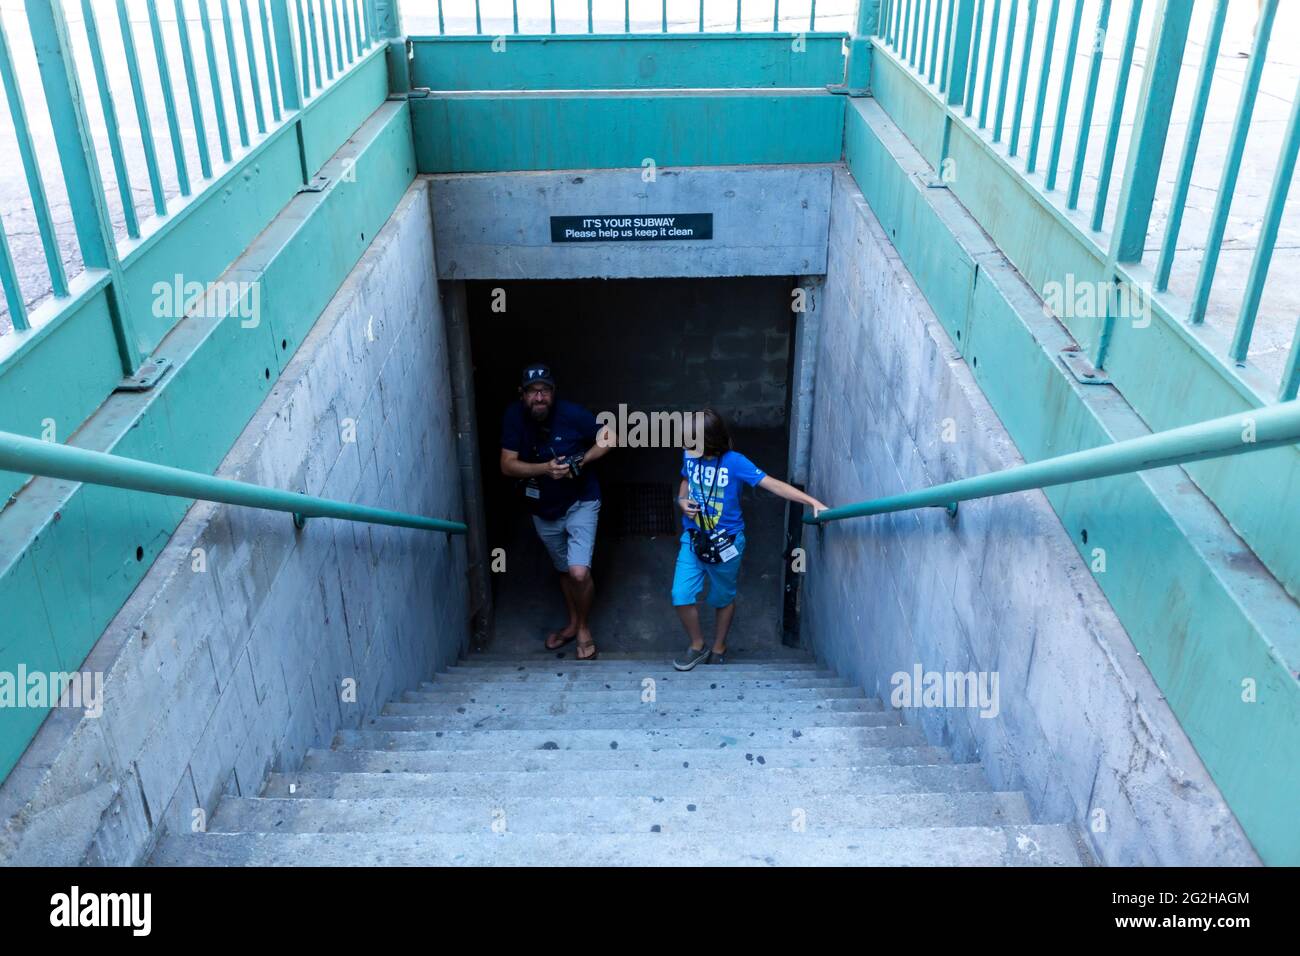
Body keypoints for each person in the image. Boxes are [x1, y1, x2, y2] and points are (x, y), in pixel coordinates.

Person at [671, 409, 827, 671]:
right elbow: (685, 480)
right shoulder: (689, 454)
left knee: (723, 597)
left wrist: (812, 502)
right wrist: (681, 501)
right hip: (694, 537)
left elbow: (773, 485)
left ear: (707, 440)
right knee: (680, 595)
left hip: (727, 543)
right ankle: (697, 646)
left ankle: (719, 646)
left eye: (689, 440)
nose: (684, 445)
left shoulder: (735, 462)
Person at [500, 364, 614, 660]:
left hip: (581, 501)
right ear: (522, 395)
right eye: (533, 391)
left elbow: (609, 436)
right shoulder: (513, 417)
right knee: (564, 569)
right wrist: (546, 470)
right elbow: (507, 464)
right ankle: (574, 622)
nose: (539, 397)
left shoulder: (571, 414)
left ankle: (585, 627)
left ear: (553, 393)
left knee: (578, 572)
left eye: (545, 390)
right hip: (543, 509)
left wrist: (583, 460)